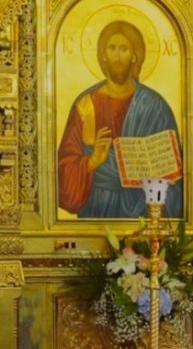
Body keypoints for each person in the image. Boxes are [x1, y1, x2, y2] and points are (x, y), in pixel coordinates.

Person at [55, 20, 183, 218]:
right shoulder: (86, 105)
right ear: (103, 55)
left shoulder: (155, 106)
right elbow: (64, 169)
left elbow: (173, 171)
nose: (117, 55)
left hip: (143, 210)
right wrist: (92, 161)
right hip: (96, 210)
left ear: (134, 56)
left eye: (124, 49)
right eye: (111, 48)